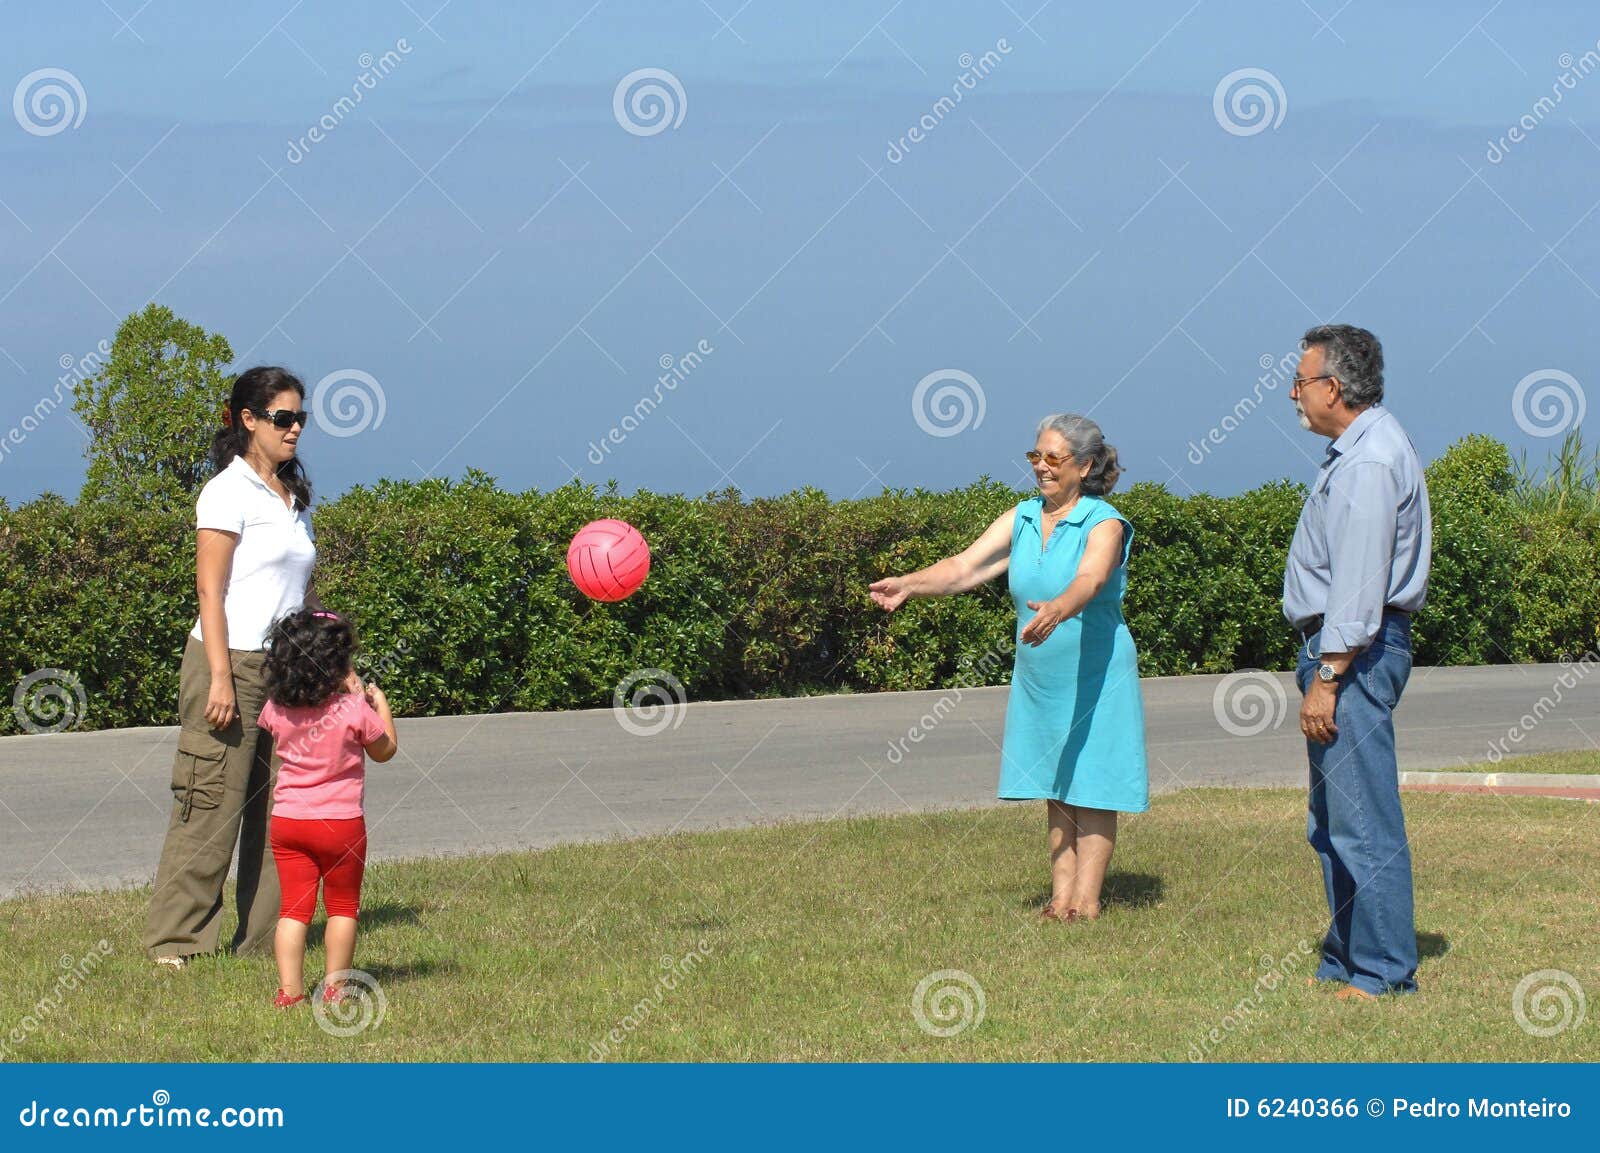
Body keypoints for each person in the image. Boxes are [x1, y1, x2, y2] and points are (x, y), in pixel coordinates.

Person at [871, 414, 1148, 921]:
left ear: (1084, 466)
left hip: (1097, 670)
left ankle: (1086, 902)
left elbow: (1091, 577)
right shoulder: (1020, 518)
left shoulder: (1104, 521)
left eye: (1053, 458)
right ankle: (1060, 897)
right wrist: (909, 583)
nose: (1040, 467)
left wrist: (1060, 608)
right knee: (1056, 781)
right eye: (1034, 456)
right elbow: (963, 567)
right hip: (1042, 675)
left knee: (1093, 780)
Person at [144, 367, 319, 968]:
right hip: (231, 663)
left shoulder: (292, 498)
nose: (295, 428)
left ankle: (263, 940)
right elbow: (209, 590)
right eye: (283, 418)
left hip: (288, 672)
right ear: (248, 420)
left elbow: (298, 593)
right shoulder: (226, 491)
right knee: (211, 804)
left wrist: (327, 661)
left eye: (301, 418)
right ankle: (177, 942)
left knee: (281, 810)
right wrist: (219, 675)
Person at [1283, 324, 1431, 1000]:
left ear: (1333, 388)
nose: (1293, 392)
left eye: (1302, 379)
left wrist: (1330, 674)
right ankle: (1347, 955)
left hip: (1354, 655)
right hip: (1346, 651)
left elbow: (1360, 581)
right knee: (1335, 820)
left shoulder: (1370, 459)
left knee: (1362, 818)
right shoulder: (1361, 449)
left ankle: (1382, 971)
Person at [258, 609, 397, 1007]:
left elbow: (277, 727)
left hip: (288, 822)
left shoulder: (276, 708)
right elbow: (385, 749)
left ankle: (289, 992)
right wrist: (375, 704)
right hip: (341, 825)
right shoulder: (354, 711)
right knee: (342, 908)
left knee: (293, 910)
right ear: (336, 666)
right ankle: (335, 988)